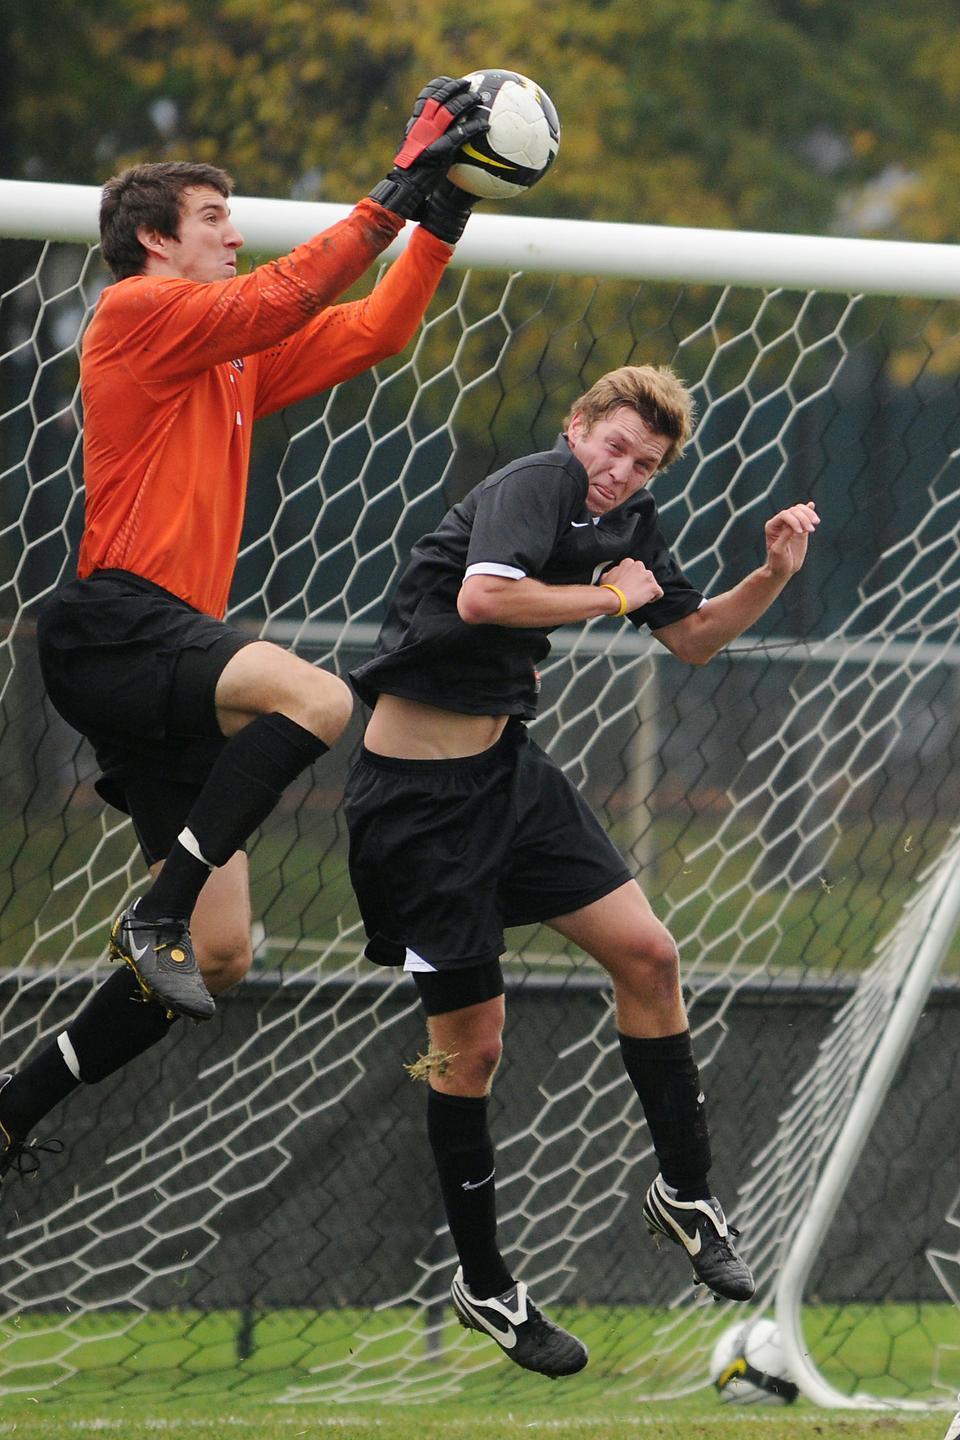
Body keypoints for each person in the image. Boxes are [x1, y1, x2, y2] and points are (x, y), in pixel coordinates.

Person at [0, 76, 489, 1182]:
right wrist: (396, 186)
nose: (234, 231)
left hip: (164, 647)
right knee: (317, 699)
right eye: (214, 217)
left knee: (219, 959)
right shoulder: (133, 315)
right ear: (151, 242)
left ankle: (12, 1108)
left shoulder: (217, 358)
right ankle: (153, 912)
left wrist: (440, 218)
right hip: (116, 622)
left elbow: (372, 332)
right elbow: (280, 299)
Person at [343, 364, 820, 1378]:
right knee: (464, 1053)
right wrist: (606, 597)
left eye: (643, 463)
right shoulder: (536, 483)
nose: (620, 472)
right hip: (417, 815)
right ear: (577, 429)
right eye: (612, 446)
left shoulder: (632, 523)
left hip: (510, 780)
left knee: (649, 956)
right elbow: (483, 597)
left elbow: (690, 637)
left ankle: (686, 1193)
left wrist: (771, 575)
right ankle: (483, 1283)